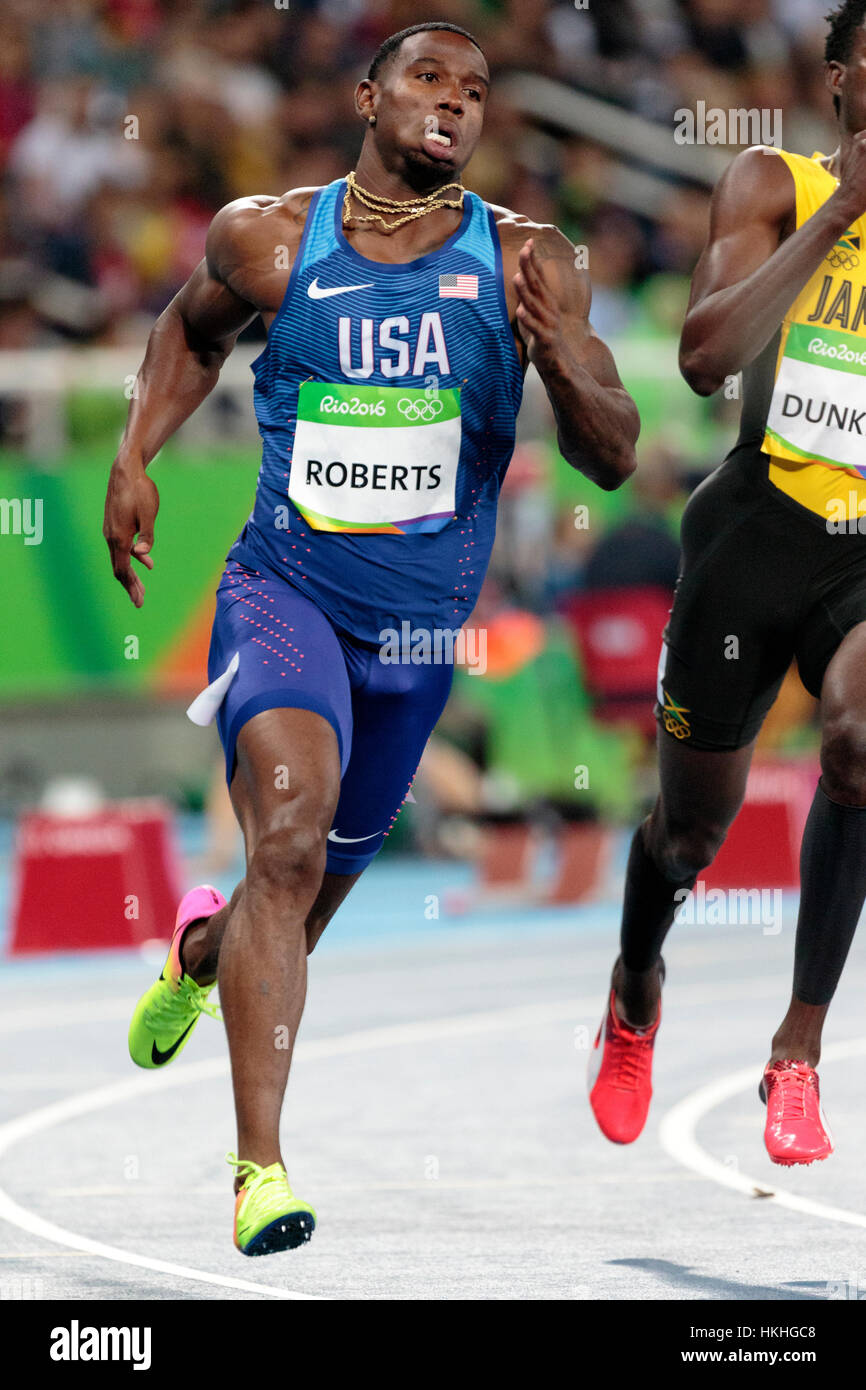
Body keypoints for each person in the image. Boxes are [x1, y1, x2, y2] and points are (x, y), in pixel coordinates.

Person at [104, 21, 639, 1256]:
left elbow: (608, 457)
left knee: (294, 905)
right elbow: (189, 333)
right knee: (284, 842)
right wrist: (133, 453)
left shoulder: (528, 261)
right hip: (281, 594)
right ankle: (259, 1173)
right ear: (368, 95)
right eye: (428, 79)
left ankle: (198, 950)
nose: (454, 103)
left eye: (476, 90)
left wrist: (556, 351)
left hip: (414, 640)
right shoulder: (270, 236)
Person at [589, 0, 866, 1169]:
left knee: (858, 739)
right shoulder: (773, 184)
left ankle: (795, 1045)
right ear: (838, 77)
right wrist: (844, 210)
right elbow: (704, 357)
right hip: (753, 531)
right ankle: (635, 983)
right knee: (687, 832)